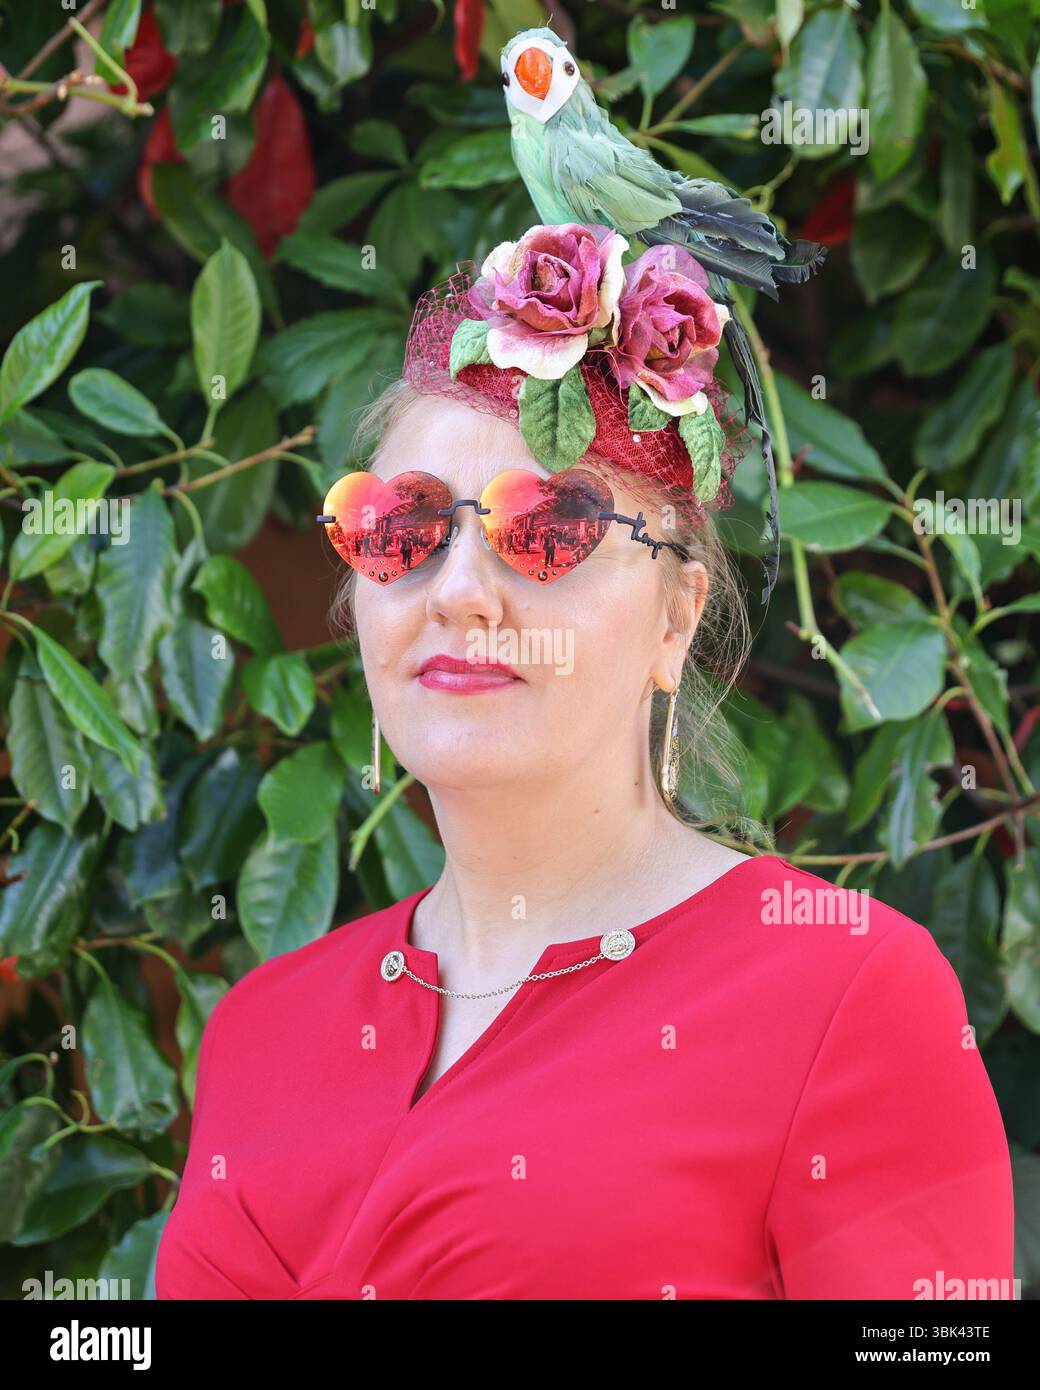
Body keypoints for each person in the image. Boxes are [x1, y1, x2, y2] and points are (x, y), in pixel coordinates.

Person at [154, 222, 1015, 1303]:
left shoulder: (845, 992)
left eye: (548, 530)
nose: (458, 592)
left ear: (674, 620)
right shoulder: (260, 1031)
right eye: (404, 528)